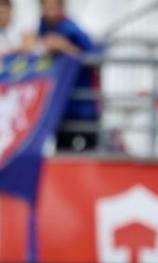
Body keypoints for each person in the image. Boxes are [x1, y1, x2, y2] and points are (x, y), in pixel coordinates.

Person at [34, 0, 98, 151]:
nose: (49, 10)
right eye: (46, 6)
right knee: (62, 148)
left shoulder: (72, 29)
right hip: (61, 104)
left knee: (89, 148)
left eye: (53, 6)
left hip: (82, 104)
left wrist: (65, 47)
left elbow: (94, 58)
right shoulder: (43, 27)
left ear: (62, 7)